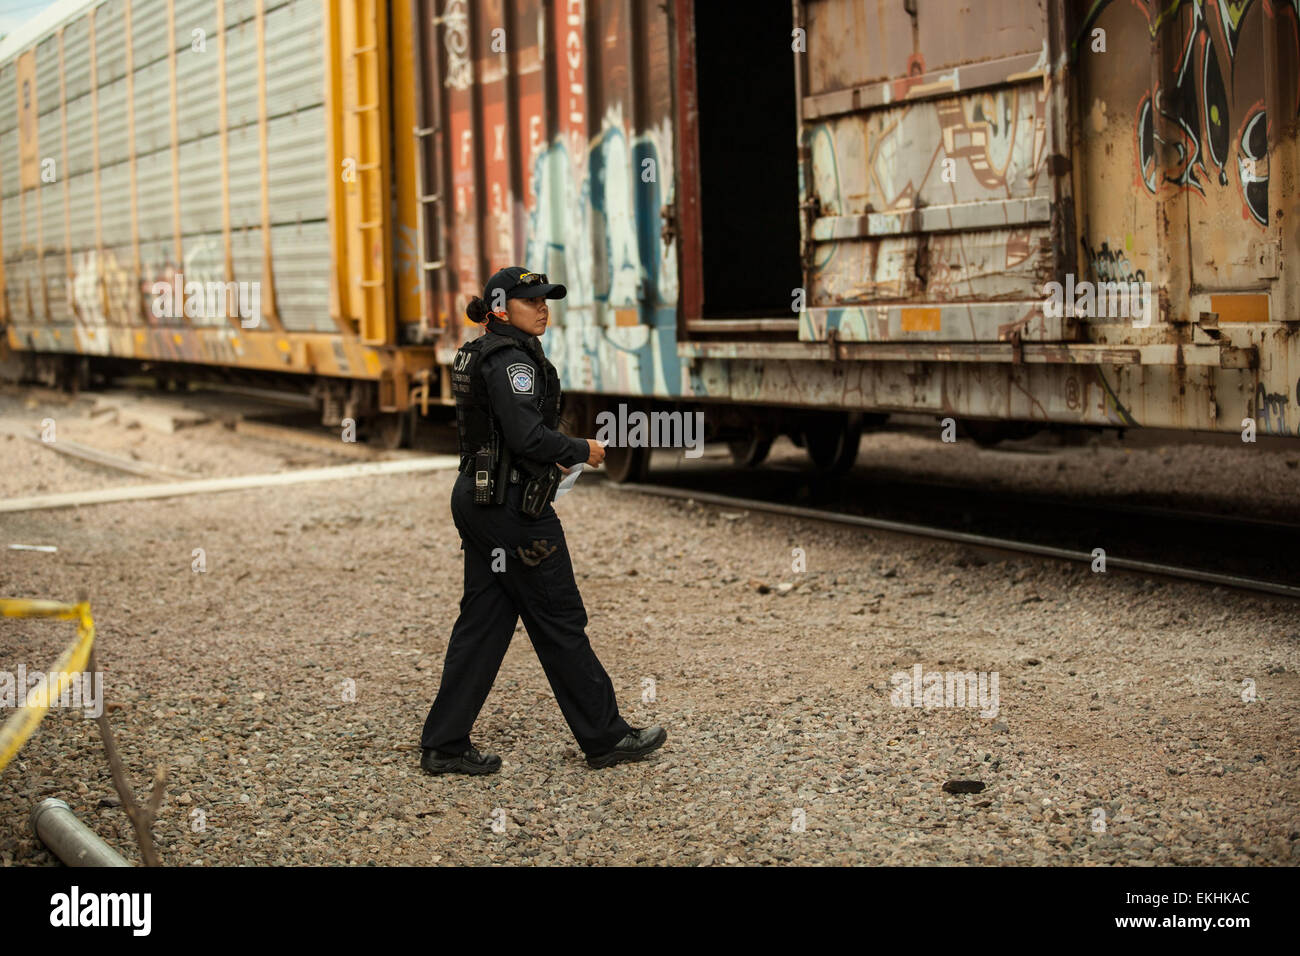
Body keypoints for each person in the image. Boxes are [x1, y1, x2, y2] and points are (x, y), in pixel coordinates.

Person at [420, 266, 667, 774]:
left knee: (484, 622)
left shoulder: (479, 349)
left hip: (480, 498)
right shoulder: (513, 360)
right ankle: (605, 737)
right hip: (513, 511)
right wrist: (582, 449)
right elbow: (526, 436)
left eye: (546, 299)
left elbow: (503, 434)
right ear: (500, 307)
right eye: (530, 300)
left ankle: (444, 744)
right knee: (559, 618)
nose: (542, 307)